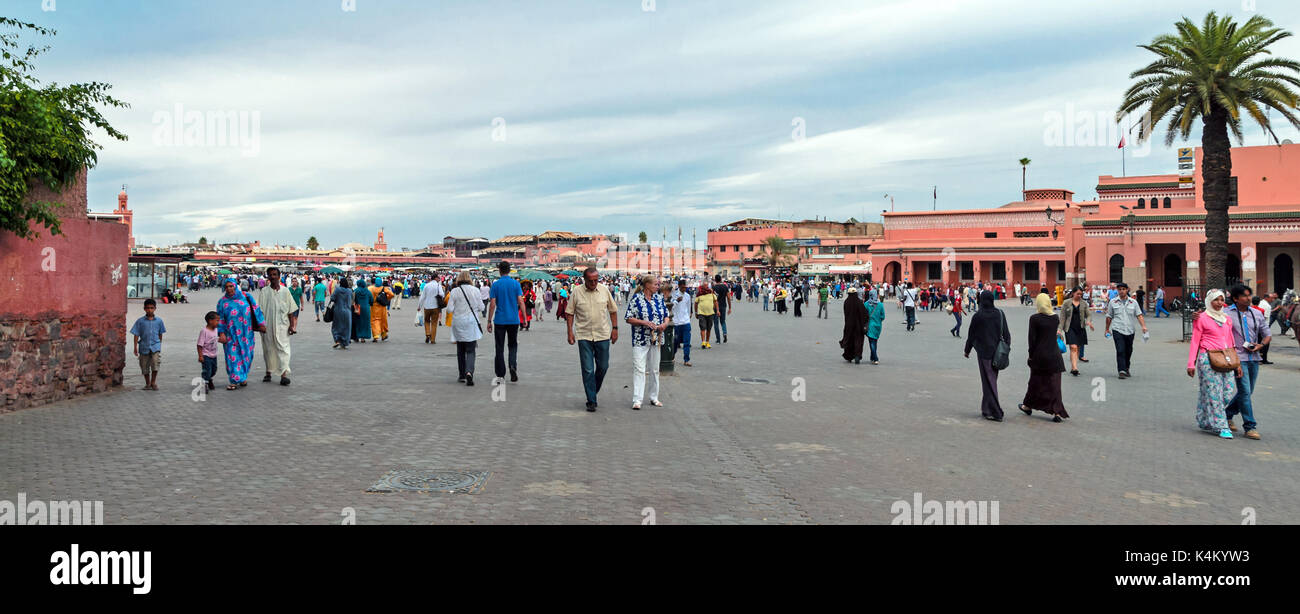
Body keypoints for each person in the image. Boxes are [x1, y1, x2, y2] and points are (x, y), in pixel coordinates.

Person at [566, 267, 619, 411]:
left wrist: (615, 329)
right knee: (588, 369)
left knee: (603, 367)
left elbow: (613, 311)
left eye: (596, 280)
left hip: (602, 335)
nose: (594, 283)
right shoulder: (577, 292)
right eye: (591, 281)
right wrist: (570, 332)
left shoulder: (604, 290)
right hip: (584, 336)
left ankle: (592, 389)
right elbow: (569, 313)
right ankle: (591, 400)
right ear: (584, 280)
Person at [1187, 290, 1238, 439]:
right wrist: (1191, 363)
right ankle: (1222, 426)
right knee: (1214, 392)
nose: (1219, 303)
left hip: (1226, 358)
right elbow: (1195, 341)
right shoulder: (1201, 318)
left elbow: (1231, 341)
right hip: (1207, 358)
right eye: (1216, 300)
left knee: (1227, 392)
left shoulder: (1227, 319)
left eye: (1222, 300)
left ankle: (1204, 419)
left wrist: (1237, 364)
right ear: (1209, 301)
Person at [1225, 284, 1269, 440]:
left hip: (1254, 358)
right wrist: (1196, 317)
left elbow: (1267, 334)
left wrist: (1261, 345)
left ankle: (1227, 414)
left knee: (1248, 392)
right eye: (1244, 295)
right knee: (1244, 391)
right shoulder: (1225, 314)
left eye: (1249, 295)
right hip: (1238, 358)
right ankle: (1250, 426)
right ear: (1235, 298)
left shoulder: (1257, 314)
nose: (1249, 298)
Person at [1019, 294, 1068, 422]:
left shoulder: (1034, 318)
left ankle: (1027, 406)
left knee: (1035, 383)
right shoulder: (1055, 318)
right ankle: (1057, 413)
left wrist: (1030, 356)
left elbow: (1032, 340)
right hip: (1055, 356)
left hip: (1040, 356)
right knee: (1055, 385)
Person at [964, 290, 1010, 421]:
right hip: (998, 354)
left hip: (984, 354)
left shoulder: (978, 316)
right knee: (990, 380)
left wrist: (967, 350)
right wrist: (1006, 349)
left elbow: (971, 335)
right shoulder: (1000, 314)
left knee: (989, 382)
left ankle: (996, 412)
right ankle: (986, 409)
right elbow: (1006, 334)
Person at [625, 275, 668, 409]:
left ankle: (654, 397)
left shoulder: (659, 299)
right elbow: (628, 318)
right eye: (655, 284)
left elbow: (666, 315)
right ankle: (637, 399)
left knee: (655, 369)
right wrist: (643, 322)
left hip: (657, 338)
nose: (658, 286)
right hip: (640, 338)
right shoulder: (637, 299)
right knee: (639, 368)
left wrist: (664, 325)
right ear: (647, 285)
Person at [217, 278, 265, 390]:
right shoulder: (222, 302)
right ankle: (234, 380)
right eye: (227, 286)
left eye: (231, 286)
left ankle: (242, 377)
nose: (229, 289)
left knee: (246, 356)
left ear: (235, 286)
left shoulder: (246, 296)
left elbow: (256, 310)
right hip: (231, 334)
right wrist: (221, 333)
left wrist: (262, 323)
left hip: (246, 333)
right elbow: (220, 319)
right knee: (232, 357)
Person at [256, 267, 297, 386]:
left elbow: (290, 310)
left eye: (275, 274)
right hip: (267, 326)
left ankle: (284, 375)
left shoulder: (285, 291)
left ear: (279, 276)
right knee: (268, 349)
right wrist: (260, 325)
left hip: (283, 326)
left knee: (283, 349)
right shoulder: (264, 291)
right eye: (270, 275)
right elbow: (260, 311)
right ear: (268, 277)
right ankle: (268, 372)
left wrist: (292, 326)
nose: (273, 276)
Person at [487, 261, 523, 383]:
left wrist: (489, 320)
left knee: (499, 347)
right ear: (509, 270)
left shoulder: (496, 285)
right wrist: (524, 317)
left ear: (499, 270)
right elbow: (520, 301)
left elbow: (492, 304)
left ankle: (501, 374)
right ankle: (512, 366)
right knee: (513, 345)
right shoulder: (516, 284)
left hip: (500, 320)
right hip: (513, 320)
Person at [1103, 282, 1148, 379]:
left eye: (1123, 289)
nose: (1122, 291)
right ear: (1117, 291)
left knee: (1128, 350)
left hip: (1130, 330)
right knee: (1120, 350)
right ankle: (1121, 370)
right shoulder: (1113, 302)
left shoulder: (1133, 302)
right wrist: (1107, 329)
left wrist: (1143, 326)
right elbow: (1109, 316)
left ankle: (1126, 367)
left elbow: (1139, 315)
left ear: (1127, 290)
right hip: (1117, 329)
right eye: (1119, 289)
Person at [447, 271, 483, 386]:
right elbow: (481, 307)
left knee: (460, 349)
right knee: (471, 349)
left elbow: (449, 309)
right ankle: (469, 372)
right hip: (471, 322)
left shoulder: (454, 291)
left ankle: (462, 374)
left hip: (458, 322)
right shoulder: (475, 290)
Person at [130, 298, 166, 391]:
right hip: (143, 346)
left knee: (155, 363)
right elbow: (136, 334)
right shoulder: (140, 321)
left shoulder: (159, 321)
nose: (150, 310)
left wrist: (159, 344)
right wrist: (135, 347)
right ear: (144, 309)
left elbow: (160, 333)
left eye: (151, 308)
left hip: (155, 346)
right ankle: (147, 383)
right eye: (147, 308)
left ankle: (153, 382)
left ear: (155, 308)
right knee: (144, 365)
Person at [1059, 287, 1094, 377]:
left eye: (1081, 294)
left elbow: (1089, 315)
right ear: (1073, 293)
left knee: (1077, 348)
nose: (1079, 296)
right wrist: (1059, 329)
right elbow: (1062, 317)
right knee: (1073, 347)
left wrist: (1089, 321)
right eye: (1078, 294)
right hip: (1069, 328)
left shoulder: (1084, 303)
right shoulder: (1066, 303)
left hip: (1081, 328)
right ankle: (1074, 368)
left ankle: (1073, 366)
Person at [839, 287, 866, 363]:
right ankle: (857, 356)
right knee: (858, 341)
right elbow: (864, 314)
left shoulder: (846, 302)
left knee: (849, 340)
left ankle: (849, 356)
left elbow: (846, 313)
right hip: (858, 326)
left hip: (849, 325)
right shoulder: (859, 302)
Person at [671, 279, 693, 367]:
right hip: (676, 322)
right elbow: (671, 307)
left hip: (686, 321)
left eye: (686, 287)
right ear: (679, 286)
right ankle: (672, 357)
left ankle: (686, 360)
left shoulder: (687, 296)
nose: (685, 289)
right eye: (683, 287)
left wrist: (688, 316)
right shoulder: (674, 294)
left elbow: (688, 307)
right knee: (676, 342)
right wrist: (676, 301)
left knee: (687, 342)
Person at [417, 276, 445, 344]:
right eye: (438, 278)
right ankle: (432, 339)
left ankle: (427, 334)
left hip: (427, 306)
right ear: (435, 278)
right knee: (434, 323)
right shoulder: (438, 285)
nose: (439, 279)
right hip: (435, 306)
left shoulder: (427, 285)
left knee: (426, 321)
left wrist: (419, 306)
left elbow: (422, 297)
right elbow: (442, 294)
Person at [197, 311, 220, 392]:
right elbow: (199, 345)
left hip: (214, 355)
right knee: (207, 370)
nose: (218, 322)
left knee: (214, 370)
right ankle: (205, 384)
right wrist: (200, 356)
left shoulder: (216, 330)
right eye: (217, 320)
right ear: (210, 321)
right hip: (206, 355)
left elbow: (216, 338)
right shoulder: (204, 331)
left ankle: (209, 378)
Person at [329, 277, 354, 349]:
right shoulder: (349, 291)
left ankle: (337, 340)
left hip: (338, 310)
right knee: (347, 327)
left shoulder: (337, 290)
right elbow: (352, 299)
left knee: (336, 326)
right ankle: (345, 342)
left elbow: (332, 298)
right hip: (347, 311)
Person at [694, 284, 717, 349]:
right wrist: (696, 312)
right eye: (706, 287)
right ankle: (703, 342)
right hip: (701, 314)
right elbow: (696, 303)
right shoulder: (699, 294)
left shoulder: (711, 294)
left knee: (709, 329)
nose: (707, 288)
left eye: (707, 286)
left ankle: (707, 342)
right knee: (702, 328)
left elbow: (715, 302)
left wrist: (717, 310)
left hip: (710, 313)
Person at [866, 288, 885, 364]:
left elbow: (864, 315)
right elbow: (883, 316)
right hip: (878, 325)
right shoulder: (880, 305)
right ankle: (872, 357)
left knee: (871, 342)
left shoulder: (866, 304)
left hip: (870, 325)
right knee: (875, 341)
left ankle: (875, 358)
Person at [712, 275, 731, 343]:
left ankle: (718, 339)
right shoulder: (725, 287)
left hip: (715, 307)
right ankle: (725, 333)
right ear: (720, 280)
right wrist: (730, 307)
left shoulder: (713, 288)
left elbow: (712, 298)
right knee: (723, 321)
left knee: (716, 322)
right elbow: (728, 297)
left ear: (715, 280)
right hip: (723, 306)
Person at [352, 278, 373, 343]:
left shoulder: (356, 290)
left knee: (358, 322)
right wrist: (369, 303)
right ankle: (363, 338)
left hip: (357, 307)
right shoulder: (367, 291)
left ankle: (357, 336)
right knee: (365, 323)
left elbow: (353, 299)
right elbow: (371, 300)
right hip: (366, 308)